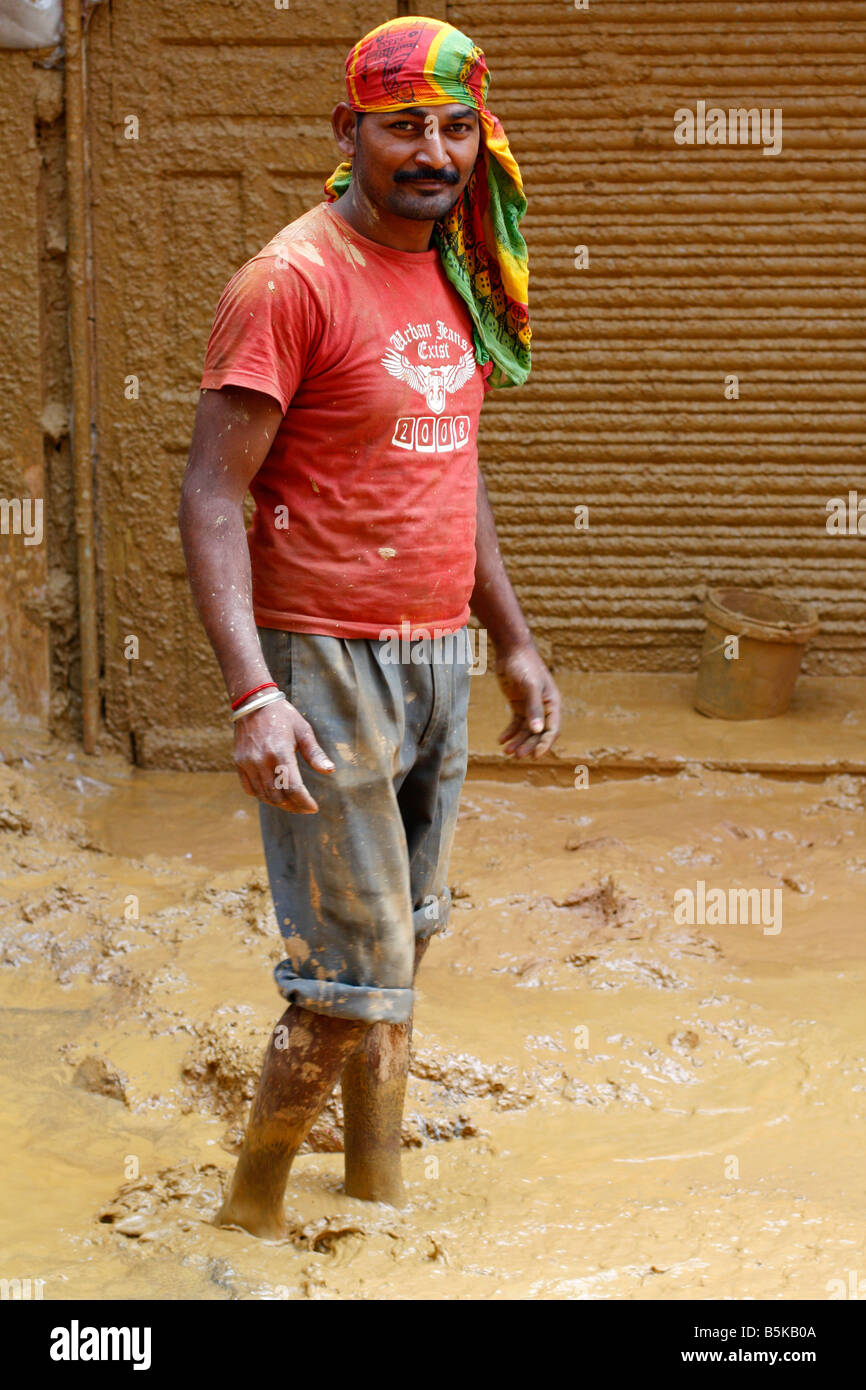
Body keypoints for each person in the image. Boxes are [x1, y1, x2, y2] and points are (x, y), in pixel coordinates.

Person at [178, 14, 561, 1239]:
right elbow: (208, 495)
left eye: (457, 126)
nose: (434, 152)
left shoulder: (457, 268)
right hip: (322, 660)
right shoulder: (288, 282)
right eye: (405, 126)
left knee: (396, 956)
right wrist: (252, 694)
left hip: (435, 651)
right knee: (345, 979)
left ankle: (377, 1199)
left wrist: (507, 637)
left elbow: (454, 468)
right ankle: (247, 1217)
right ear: (350, 133)